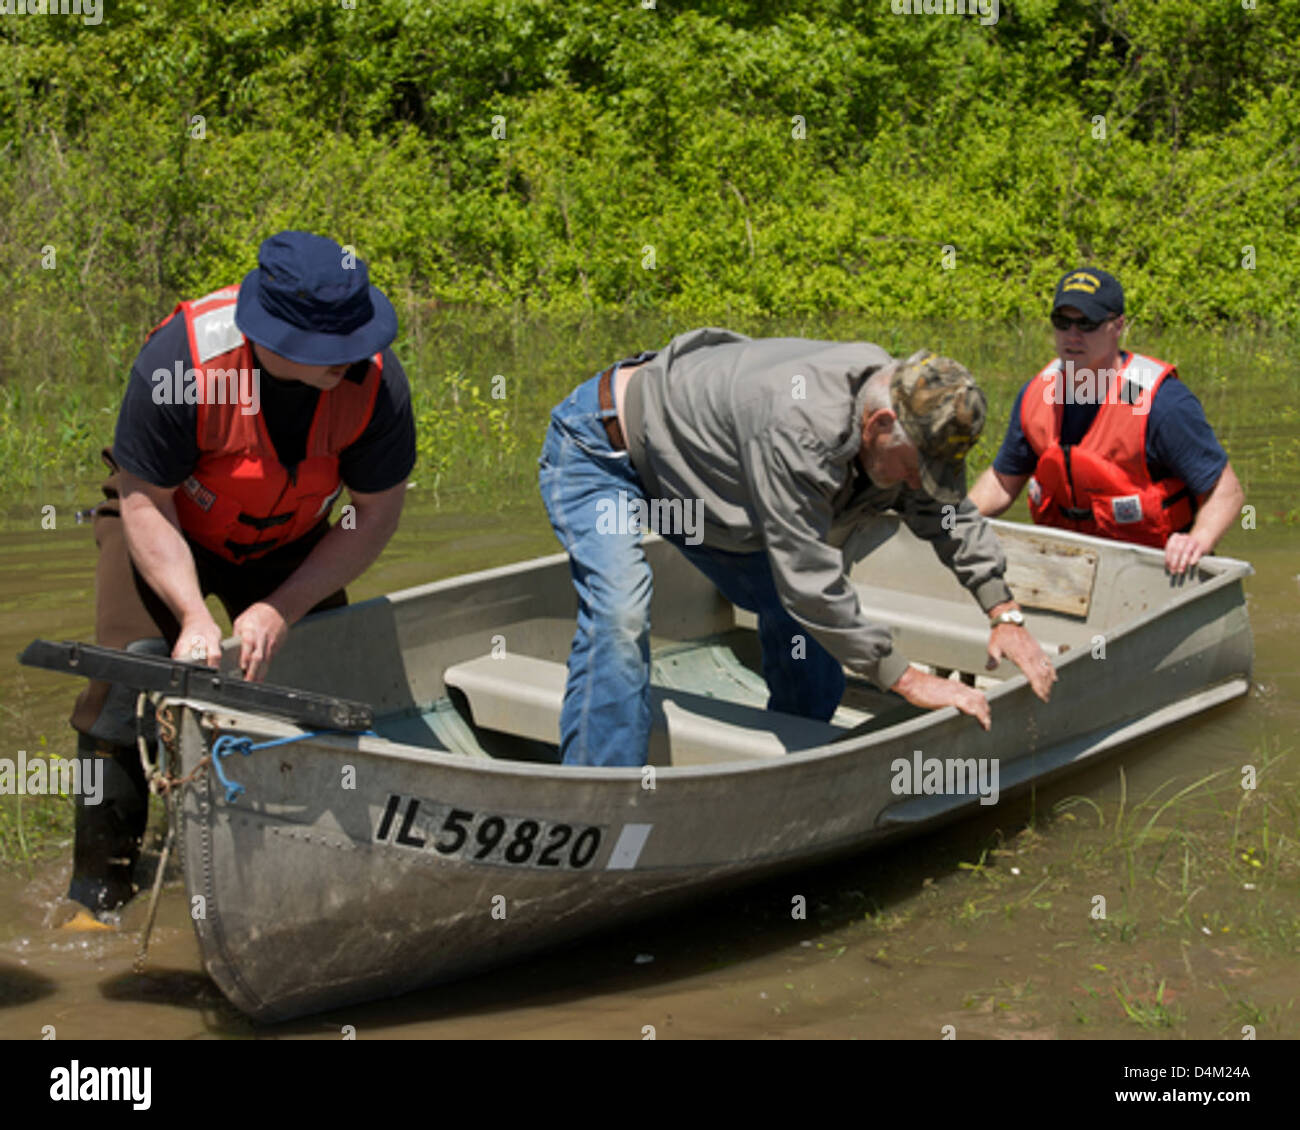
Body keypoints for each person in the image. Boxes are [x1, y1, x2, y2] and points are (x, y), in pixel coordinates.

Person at [64, 231, 415, 925]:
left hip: (294, 542)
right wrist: (194, 617)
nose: (346, 364)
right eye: (328, 352)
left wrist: (281, 609)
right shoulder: (181, 363)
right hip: (171, 526)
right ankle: (95, 895)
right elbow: (144, 499)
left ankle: (306, 876)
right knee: (126, 685)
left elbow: (373, 515)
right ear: (270, 337)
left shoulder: (376, 383)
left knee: (322, 689)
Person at [538, 331, 1058, 769]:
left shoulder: (920, 416)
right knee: (620, 613)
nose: (915, 482)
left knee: (802, 618)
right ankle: (597, 794)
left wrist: (1003, 611)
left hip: (711, 484)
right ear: (878, 426)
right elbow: (809, 580)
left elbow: (946, 515)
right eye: (911, 468)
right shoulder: (799, 427)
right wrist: (908, 679)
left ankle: (798, 760)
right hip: (604, 451)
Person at [968, 267, 1244, 574]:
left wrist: (1197, 541)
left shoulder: (1163, 404)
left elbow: (1226, 491)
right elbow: (1002, 482)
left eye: (1086, 324)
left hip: (1155, 568)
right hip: (1067, 566)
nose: (1073, 335)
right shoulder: (1037, 395)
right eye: (1062, 323)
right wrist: (956, 516)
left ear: (1118, 325)